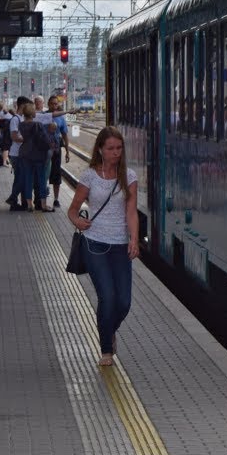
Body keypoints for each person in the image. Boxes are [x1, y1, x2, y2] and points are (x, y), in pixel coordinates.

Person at [68, 128, 140, 367]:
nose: (116, 153)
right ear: (100, 149)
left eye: (119, 148)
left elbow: (131, 212)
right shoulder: (89, 176)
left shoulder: (128, 176)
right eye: (110, 148)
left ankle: (108, 329)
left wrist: (134, 239)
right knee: (107, 297)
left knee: (124, 302)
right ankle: (106, 349)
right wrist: (77, 221)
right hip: (94, 243)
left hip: (120, 244)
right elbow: (73, 209)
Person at [17, 103, 53, 212]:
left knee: (28, 179)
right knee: (41, 179)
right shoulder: (38, 125)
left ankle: (29, 205)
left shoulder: (21, 125)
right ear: (33, 113)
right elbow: (45, 139)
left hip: (25, 154)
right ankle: (43, 205)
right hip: (38, 155)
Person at [46, 96, 70, 207]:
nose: (54, 106)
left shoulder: (61, 118)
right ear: (48, 104)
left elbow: (65, 135)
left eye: (56, 104)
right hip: (44, 149)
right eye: (52, 103)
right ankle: (41, 198)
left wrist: (67, 151)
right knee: (43, 173)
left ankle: (56, 199)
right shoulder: (44, 116)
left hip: (56, 150)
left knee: (56, 174)